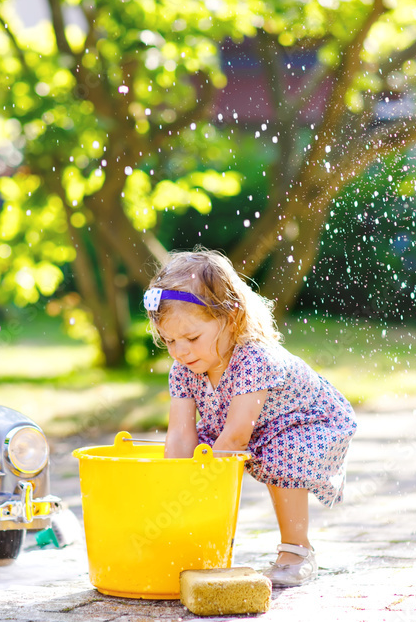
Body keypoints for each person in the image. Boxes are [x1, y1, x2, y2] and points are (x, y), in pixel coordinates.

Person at [144, 248, 357, 586]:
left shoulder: (252, 358)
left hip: (305, 421)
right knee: (199, 451)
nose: (180, 350)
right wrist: (175, 497)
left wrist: (196, 493)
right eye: (169, 341)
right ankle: (194, 543)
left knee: (280, 455)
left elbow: (235, 438)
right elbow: (182, 437)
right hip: (255, 430)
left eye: (192, 337)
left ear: (231, 318)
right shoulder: (184, 368)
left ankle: (297, 551)